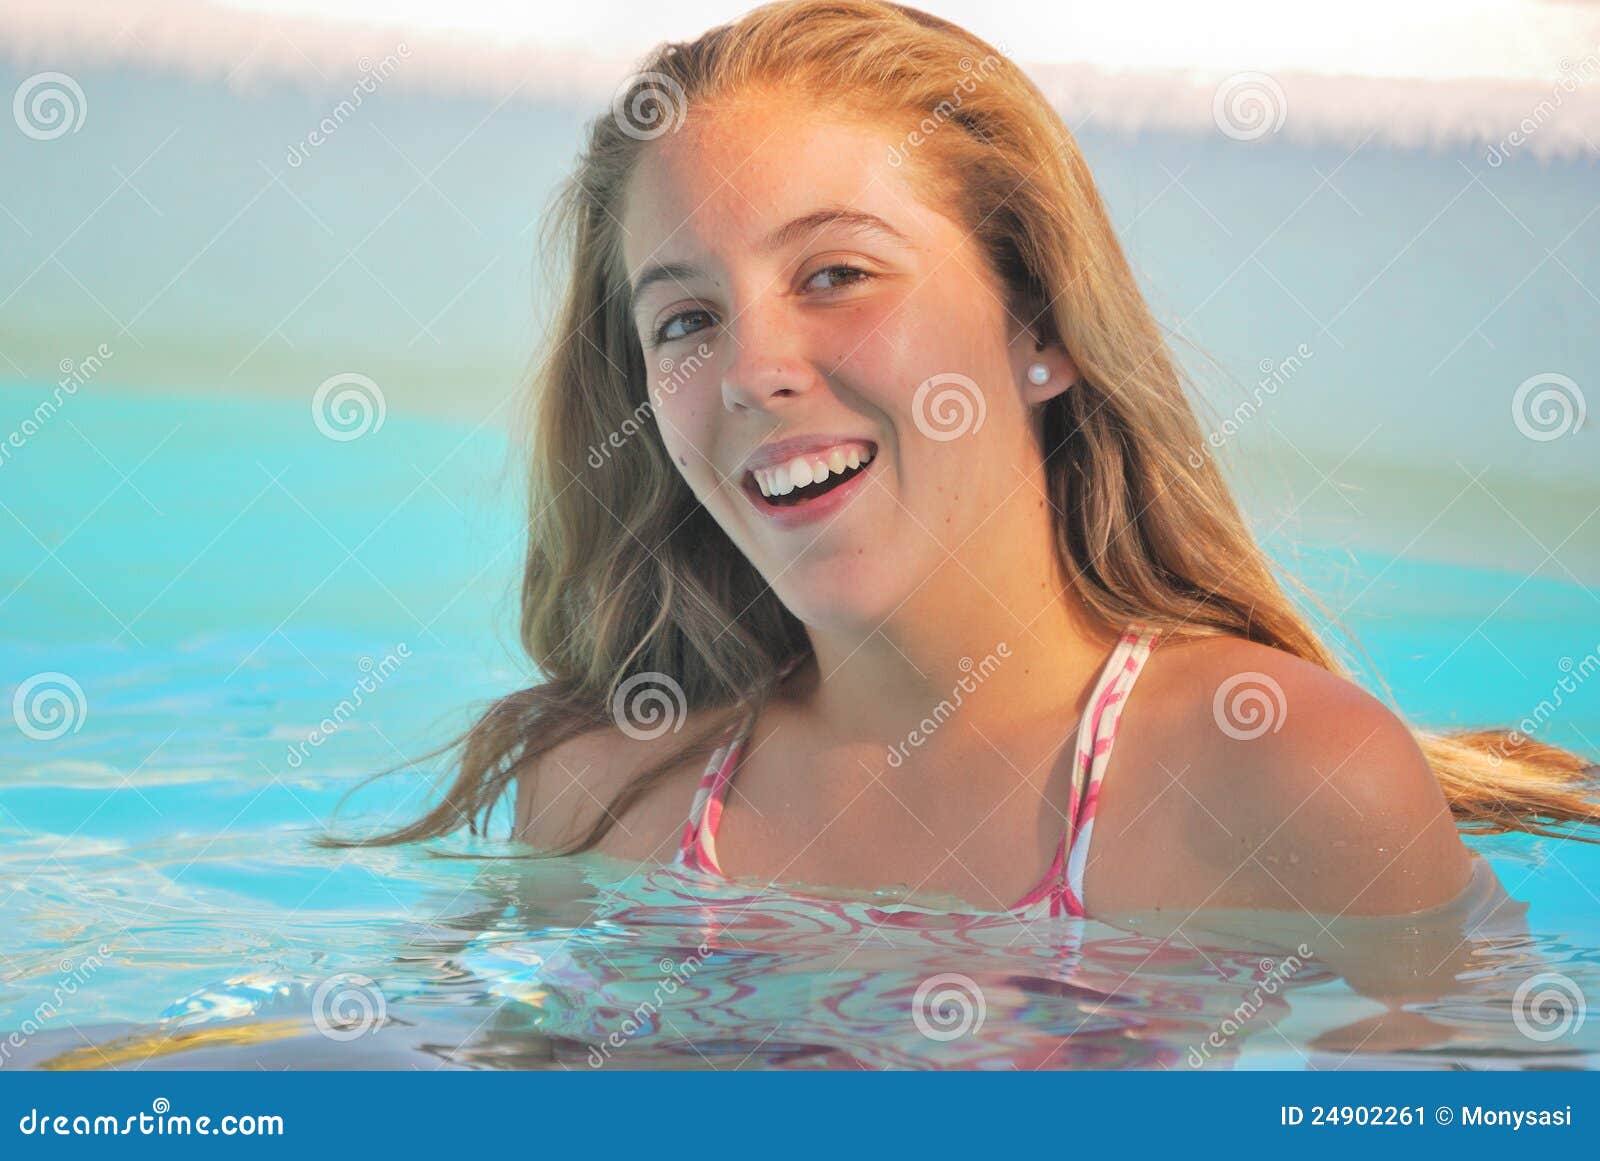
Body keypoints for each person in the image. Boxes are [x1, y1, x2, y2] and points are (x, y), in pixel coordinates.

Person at [319, 0, 1598, 927]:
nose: (754, 365)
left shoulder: (1278, 778)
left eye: (836, 275)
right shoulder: (611, 795)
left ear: (1037, 326)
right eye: (686, 320)